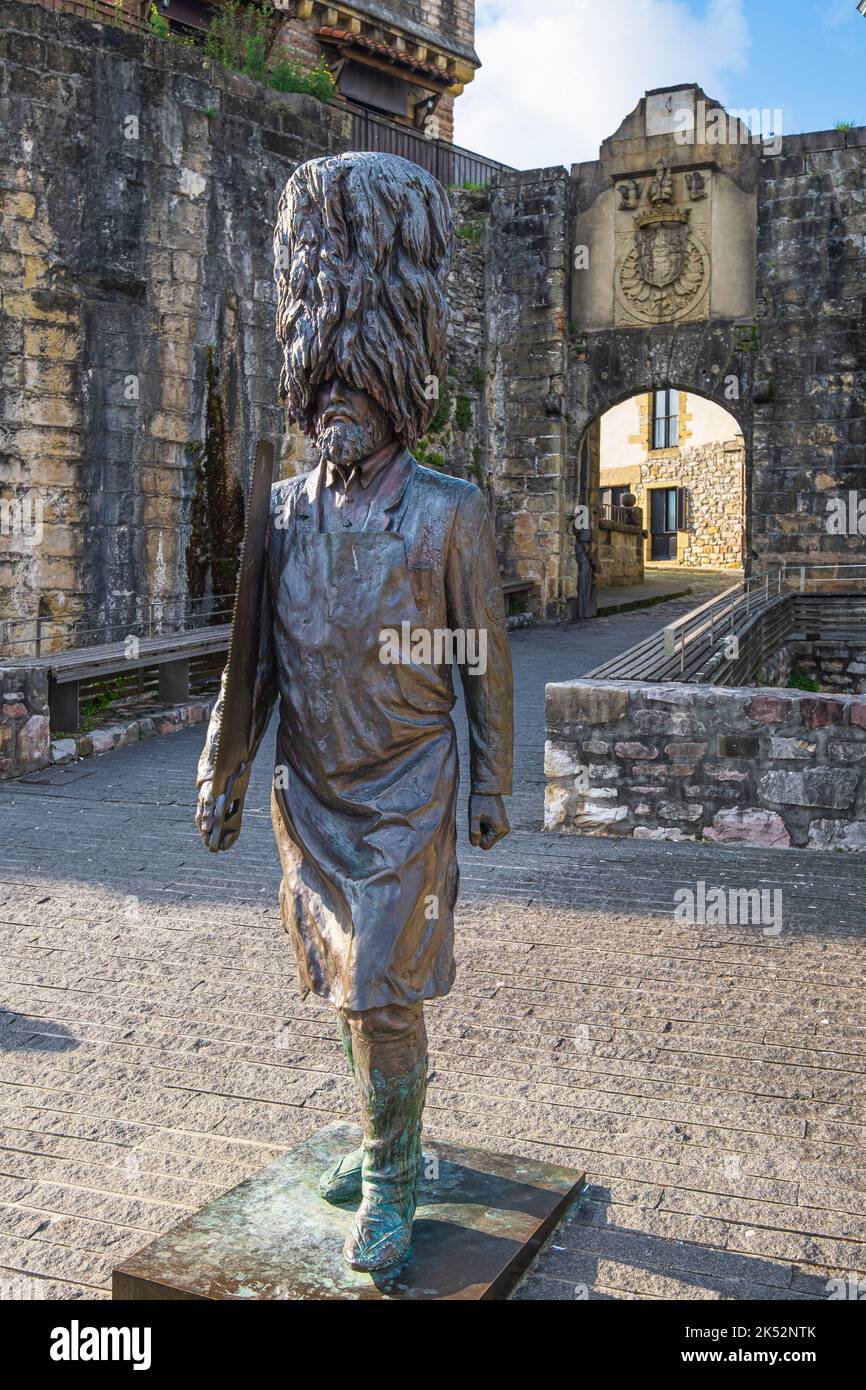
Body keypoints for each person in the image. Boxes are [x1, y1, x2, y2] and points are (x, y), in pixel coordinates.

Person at [196, 152, 513, 1273]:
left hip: (409, 789)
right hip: (312, 789)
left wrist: (493, 780)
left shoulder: (447, 514)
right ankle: (399, 1140)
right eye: (318, 379)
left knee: (380, 983)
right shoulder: (280, 512)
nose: (333, 402)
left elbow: (481, 657)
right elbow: (251, 660)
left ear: (396, 378)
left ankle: (389, 1179)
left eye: (353, 381)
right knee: (345, 982)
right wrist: (222, 768)